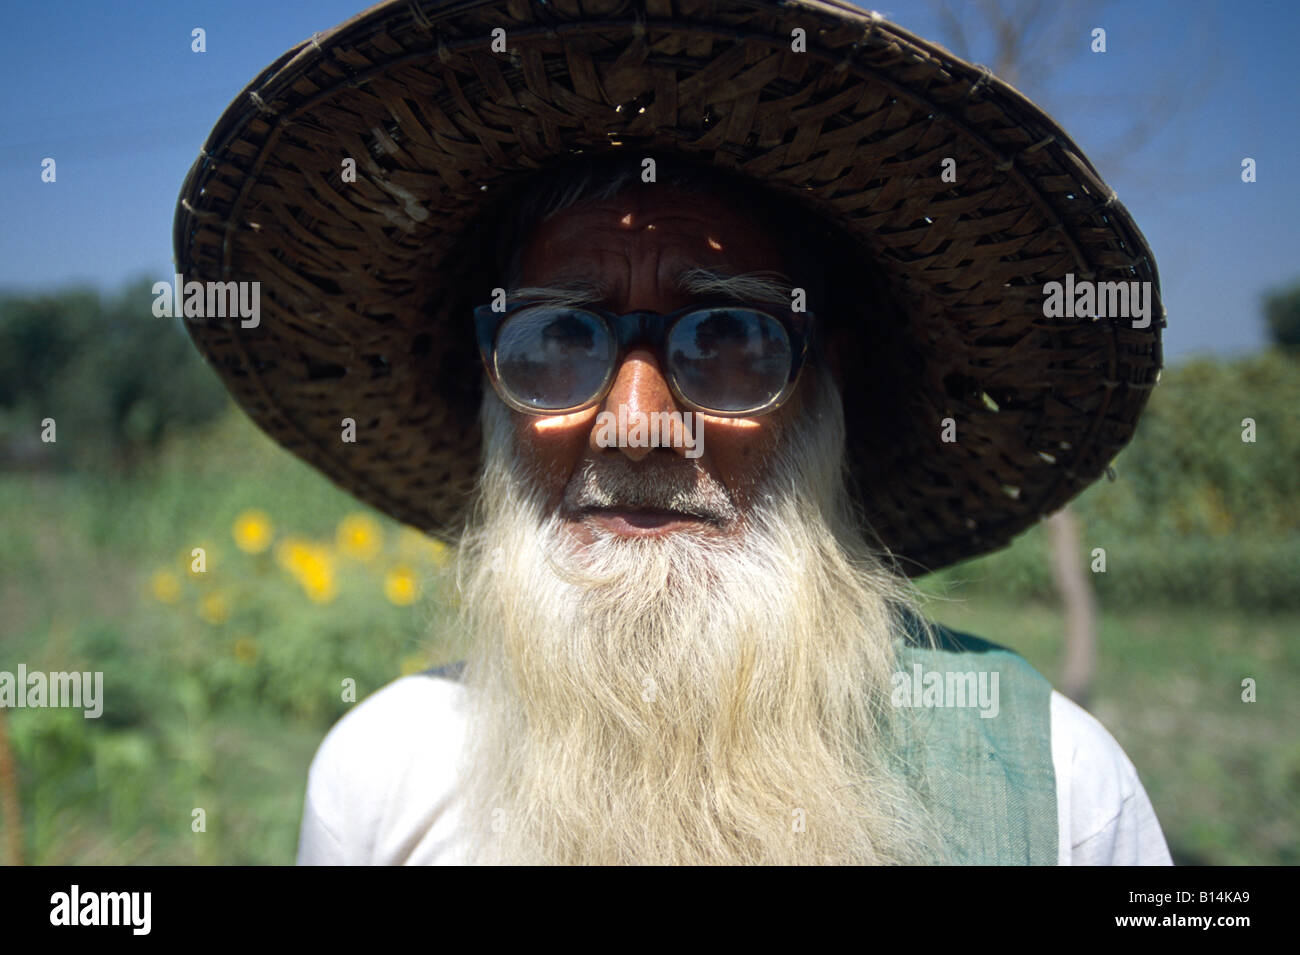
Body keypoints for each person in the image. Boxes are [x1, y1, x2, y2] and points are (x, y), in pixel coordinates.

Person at [174, 0, 1171, 865]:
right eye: (559, 336)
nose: (638, 423)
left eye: (730, 335)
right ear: (488, 389)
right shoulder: (384, 773)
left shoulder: (1056, 790)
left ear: (828, 384)